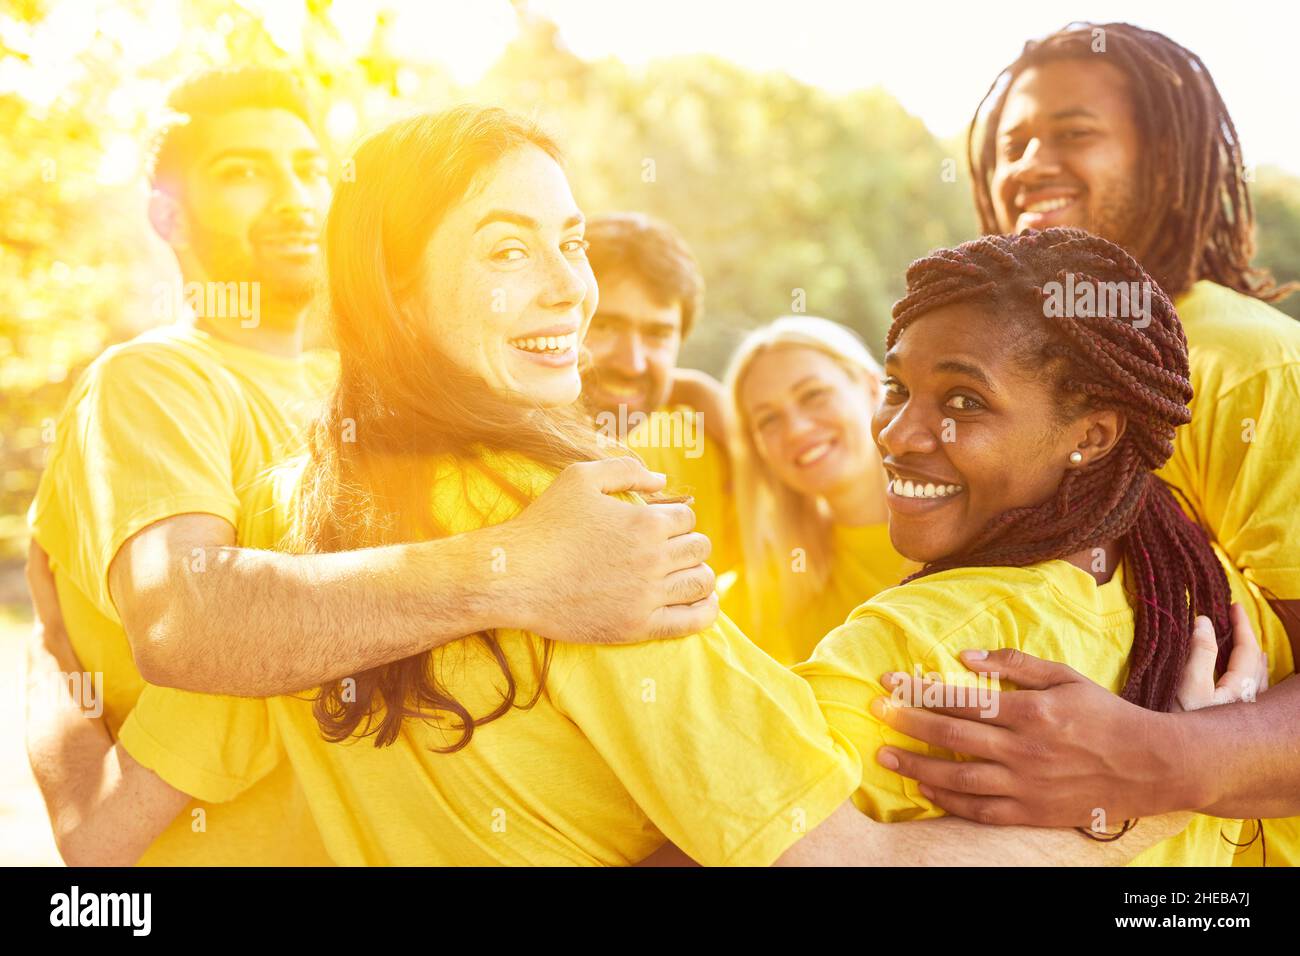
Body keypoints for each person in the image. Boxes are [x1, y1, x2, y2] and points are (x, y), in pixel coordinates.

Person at [27, 108, 1199, 868]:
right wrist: (1145, 808)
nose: (565, 290)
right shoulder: (595, 536)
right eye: (503, 249)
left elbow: (101, 842)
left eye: (570, 240)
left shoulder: (288, 531)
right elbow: (850, 864)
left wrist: (57, 666)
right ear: (392, 287)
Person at [23, 69, 717, 866]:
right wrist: (518, 571)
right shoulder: (153, 380)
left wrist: (705, 395)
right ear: (166, 215)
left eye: (310, 168)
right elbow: (187, 622)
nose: (291, 196)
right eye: (243, 172)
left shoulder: (363, 393)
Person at [871, 23, 1300, 862]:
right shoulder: (972, 385)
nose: (1030, 163)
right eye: (1011, 142)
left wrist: (1157, 761)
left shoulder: (1249, 366)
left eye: (1074, 134)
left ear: (1166, 159)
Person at [794, 229, 1288, 865]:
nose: (897, 434)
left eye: (963, 402)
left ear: (1093, 435)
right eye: (895, 388)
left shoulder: (924, 650)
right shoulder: (1206, 594)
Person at [720, 316, 910, 665]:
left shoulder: (972, 534)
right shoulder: (765, 593)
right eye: (768, 419)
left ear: (871, 388)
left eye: (813, 395)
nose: (796, 429)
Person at [582, 212, 741, 572]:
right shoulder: (490, 452)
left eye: (657, 334)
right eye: (605, 326)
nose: (633, 363)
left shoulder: (702, 440)